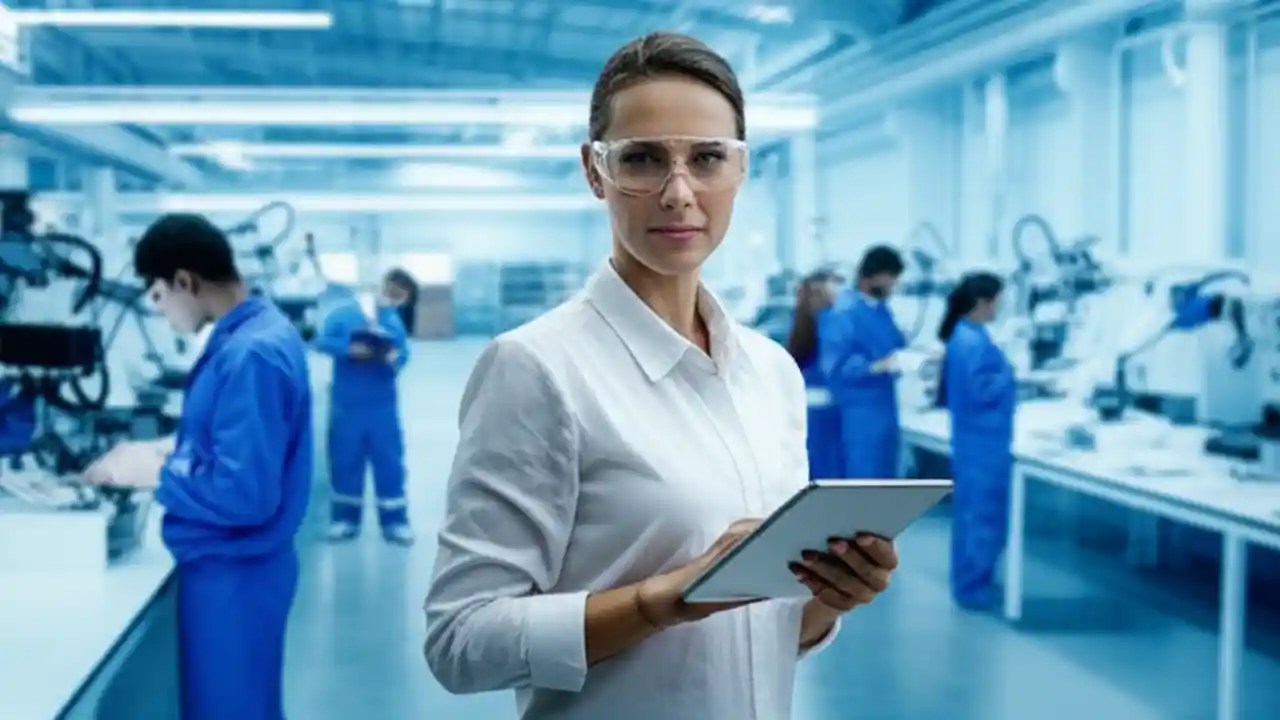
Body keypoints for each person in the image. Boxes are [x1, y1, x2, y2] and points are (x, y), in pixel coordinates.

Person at [422, 32, 901, 720]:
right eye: (643, 159)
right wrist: (665, 598)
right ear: (595, 172)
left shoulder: (770, 373)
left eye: (707, 158)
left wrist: (828, 597)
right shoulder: (538, 368)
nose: (680, 193)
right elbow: (460, 641)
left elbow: (761, 631)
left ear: (740, 170)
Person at [83, 213, 313, 720]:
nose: (160, 311)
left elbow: (245, 492)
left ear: (185, 281)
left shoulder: (250, 353)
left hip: (235, 574)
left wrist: (153, 473)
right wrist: (164, 449)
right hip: (239, 569)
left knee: (229, 711)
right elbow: (231, 441)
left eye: (158, 296)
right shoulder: (254, 333)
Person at [314, 267, 416, 545]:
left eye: (400, 297)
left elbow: (404, 352)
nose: (394, 300)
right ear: (383, 286)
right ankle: (345, 520)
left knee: (389, 463)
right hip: (347, 404)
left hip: (382, 406)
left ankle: (395, 522)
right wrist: (349, 349)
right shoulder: (343, 314)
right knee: (346, 461)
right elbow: (321, 341)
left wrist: (393, 357)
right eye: (392, 293)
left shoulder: (393, 320)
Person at [936, 271, 1016, 610]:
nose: (1001, 306)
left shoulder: (968, 335)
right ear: (983, 303)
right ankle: (972, 586)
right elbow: (979, 390)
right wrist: (1011, 376)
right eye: (998, 300)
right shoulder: (970, 341)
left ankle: (971, 581)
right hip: (982, 442)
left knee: (973, 513)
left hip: (979, 440)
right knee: (982, 514)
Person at [818, 245, 907, 479]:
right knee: (864, 481)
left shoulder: (880, 311)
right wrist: (877, 366)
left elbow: (896, 345)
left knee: (885, 483)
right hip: (859, 415)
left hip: (885, 409)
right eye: (891, 279)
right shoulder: (843, 313)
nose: (893, 286)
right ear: (874, 276)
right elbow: (834, 368)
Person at [786, 269, 845, 480]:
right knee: (830, 470)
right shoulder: (830, 322)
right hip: (826, 409)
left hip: (807, 407)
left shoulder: (800, 321)